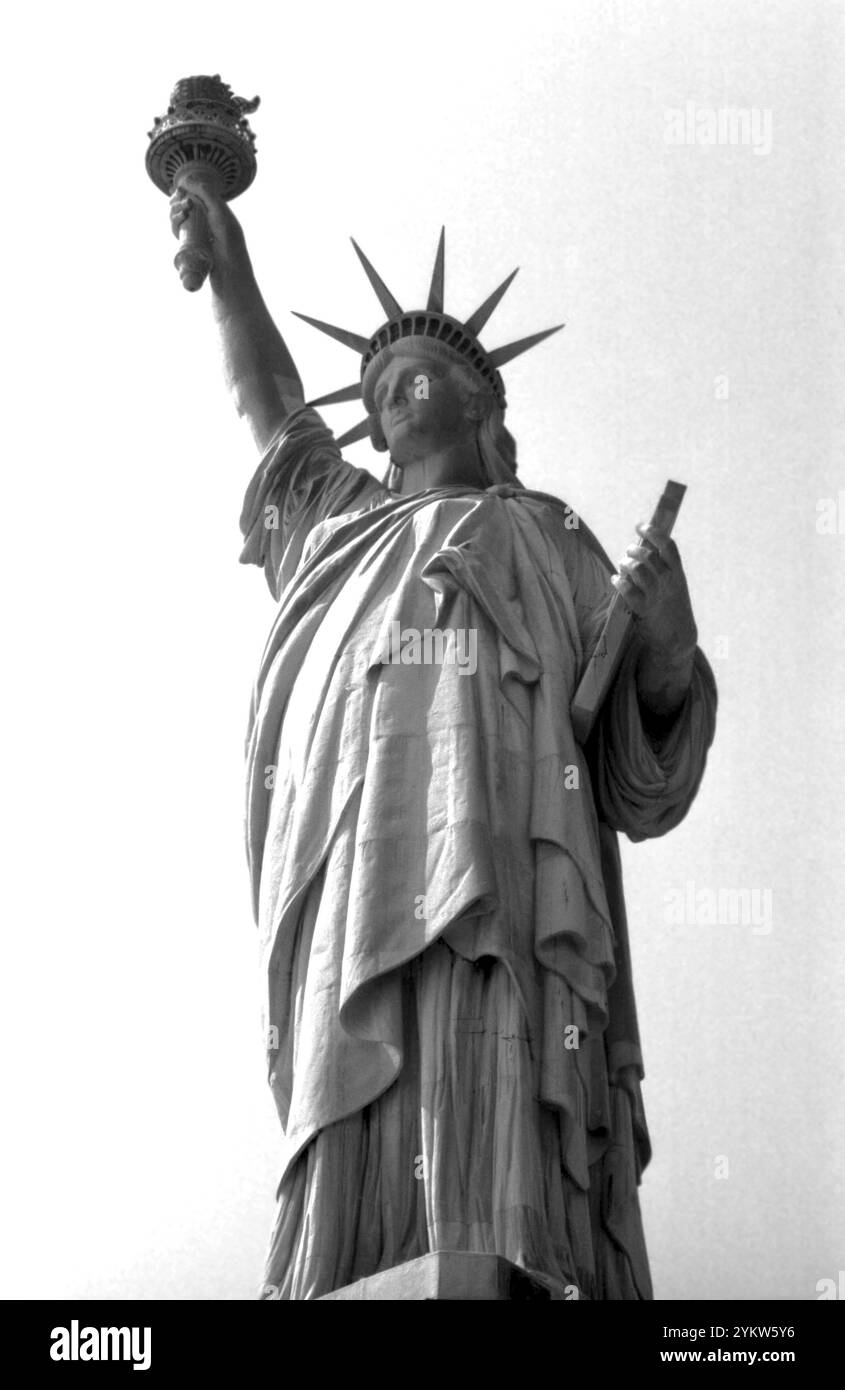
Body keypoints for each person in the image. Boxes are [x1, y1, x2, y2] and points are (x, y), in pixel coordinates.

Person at [170, 175, 718, 1301]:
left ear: (478, 406)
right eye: (378, 389)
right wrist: (226, 263)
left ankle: (506, 1234)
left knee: (497, 1022)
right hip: (361, 851)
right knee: (360, 1041)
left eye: (415, 377)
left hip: (511, 848)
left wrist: (667, 641)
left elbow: (639, 763)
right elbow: (267, 401)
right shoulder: (336, 522)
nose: (390, 397)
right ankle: (350, 1254)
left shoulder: (544, 533)